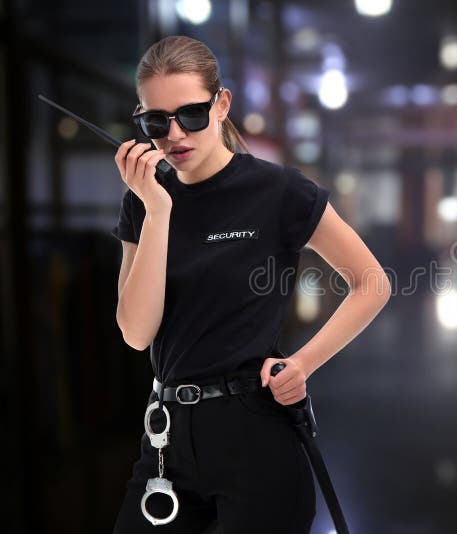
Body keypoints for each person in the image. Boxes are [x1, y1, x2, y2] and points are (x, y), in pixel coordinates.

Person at [110, 35, 391, 533]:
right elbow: (135, 332)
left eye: (191, 114)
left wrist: (302, 362)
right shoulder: (144, 199)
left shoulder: (278, 191)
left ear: (221, 105)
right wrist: (156, 209)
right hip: (166, 438)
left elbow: (371, 282)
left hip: (254, 433)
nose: (174, 134)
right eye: (157, 122)